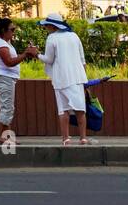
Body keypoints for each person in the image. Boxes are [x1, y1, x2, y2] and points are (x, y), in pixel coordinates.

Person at [37, 12, 90, 145]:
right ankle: (83, 137)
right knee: (80, 109)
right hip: (78, 77)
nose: (46, 28)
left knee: (63, 109)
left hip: (61, 78)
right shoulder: (74, 36)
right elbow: (83, 60)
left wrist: (36, 54)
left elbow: (49, 59)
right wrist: (85, 80)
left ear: (52, 26)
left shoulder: (52, 38)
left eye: (47, 25)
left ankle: (66, 138)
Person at [0, 17, 37, 140]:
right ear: (4, 30)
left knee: (7, 107)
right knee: (7, 107)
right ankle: (4, 137)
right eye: (12, 29)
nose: (13, 32)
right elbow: (9, 62)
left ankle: (6, 136)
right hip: (5, 78)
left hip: (7, 78)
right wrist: (26, 54)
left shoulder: (3, 42)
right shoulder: (0, 44)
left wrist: (25, 54)